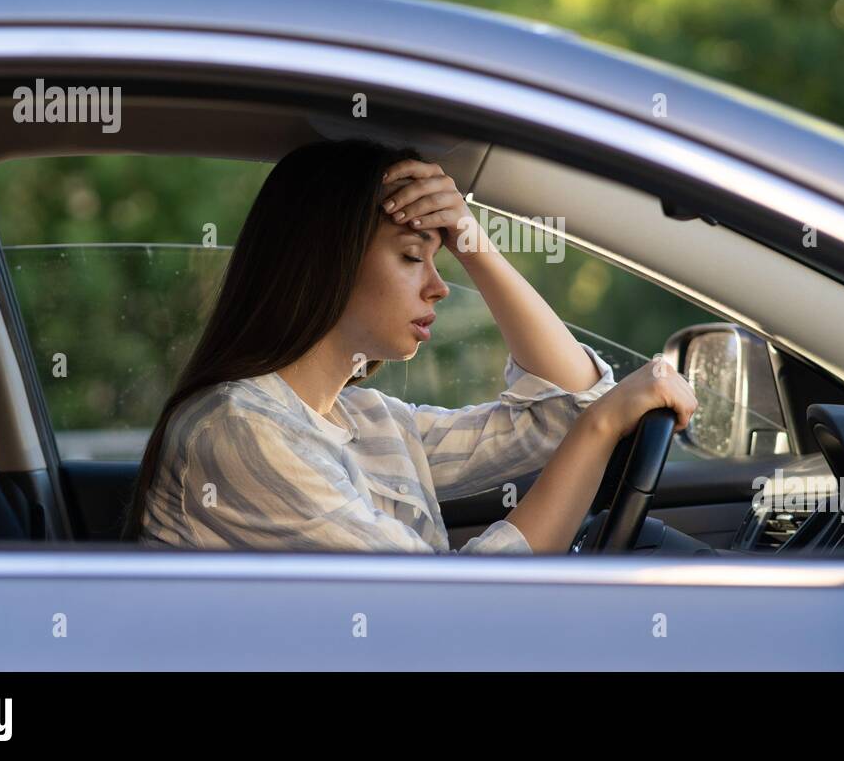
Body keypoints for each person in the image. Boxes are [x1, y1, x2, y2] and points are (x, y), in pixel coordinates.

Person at [123, 138, 697, 553]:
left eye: (440, 258)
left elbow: (562, 410)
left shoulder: (366, 419)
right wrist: (604, 425)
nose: (440, 286)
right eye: (409, 256)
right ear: (327, 264)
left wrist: (472, 238)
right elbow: (441, 616)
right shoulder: (237, 432)